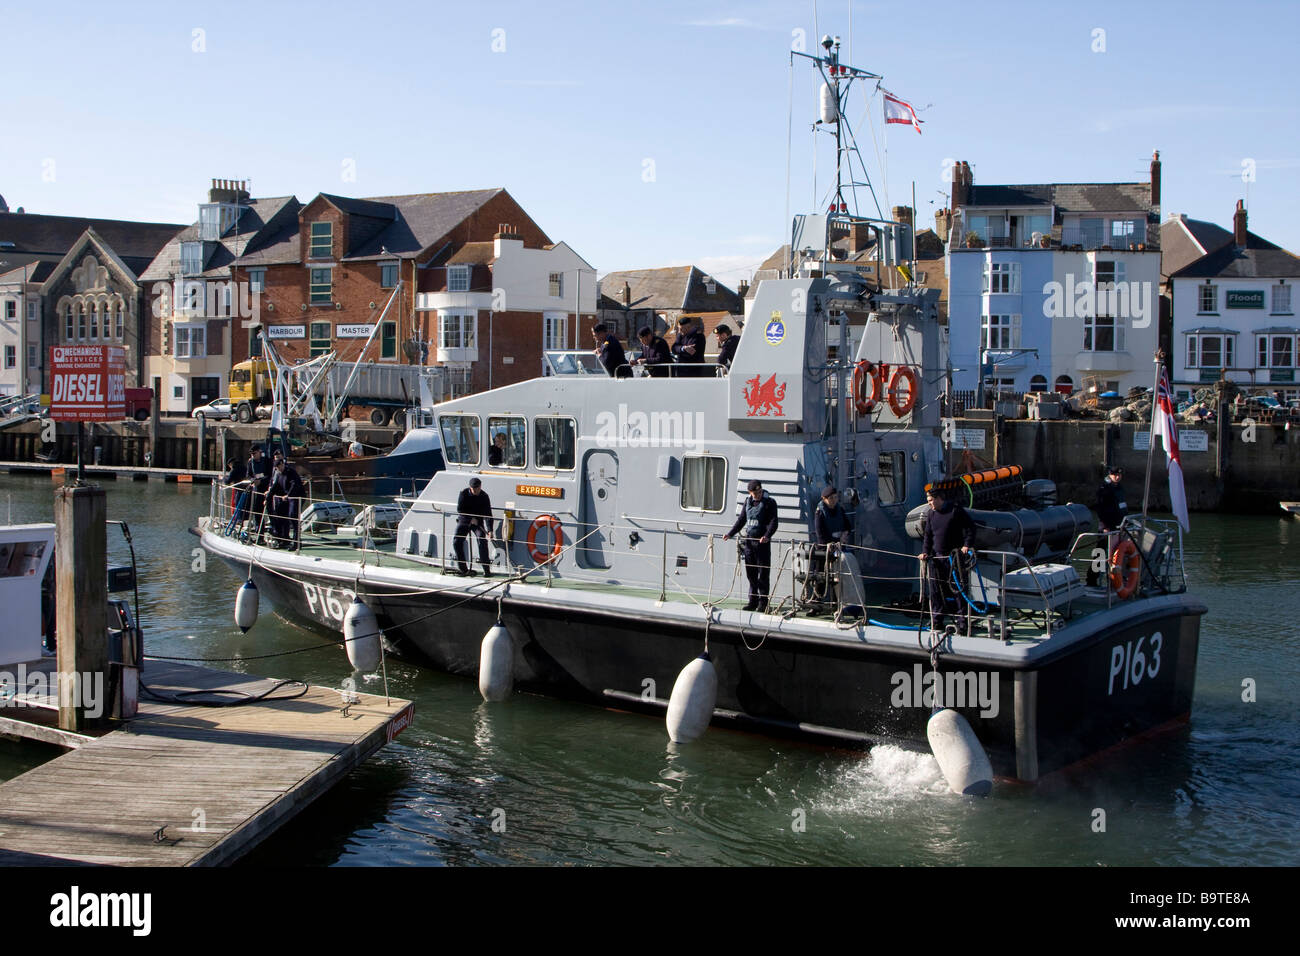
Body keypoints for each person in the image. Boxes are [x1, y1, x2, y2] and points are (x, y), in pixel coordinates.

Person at [920, 487, 975, 631]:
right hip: (937, 557)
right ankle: (937, 620)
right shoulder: (931, 514)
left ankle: (962, 621)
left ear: (940, 498)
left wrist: (966, 545)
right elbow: (928, 535)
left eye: (931, 500)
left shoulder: (955, 511)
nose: (929, 504)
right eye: (928, 501)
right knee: (936, 591)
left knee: (958, 590)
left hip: (954, 558)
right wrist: (925, 552)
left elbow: (970, 528)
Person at [723, 479, 780, 612]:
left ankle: (763, 603)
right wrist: (730, 533)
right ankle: (752, 601)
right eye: (755, 493)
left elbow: (774, 522)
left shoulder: (770, 503)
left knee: (763, 574)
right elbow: (742, 520)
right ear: (750, 492)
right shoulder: (747, 502)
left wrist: (767, 536)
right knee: (751, 574)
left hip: (762, 543)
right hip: (749, 543)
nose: (758, 495)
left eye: (760, 492)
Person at [807, 486, 849, 602]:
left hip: (838, 548)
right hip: (824, 549)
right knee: (820, 576)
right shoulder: (820, 512)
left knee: (837, 577)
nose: (834, 500)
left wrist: (844, 535)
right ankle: (816, 601)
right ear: (824, 499)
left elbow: (847, 526)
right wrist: (832, 543)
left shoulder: (840, 510)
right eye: (831, 498)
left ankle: (836, 602)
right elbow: (820, 534)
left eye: (835, 497)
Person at [1090, 464, 1128, 586]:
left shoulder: (1119, 488)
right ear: (1110, 475)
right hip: (1107, 527)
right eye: (1115, 475)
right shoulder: (1104, 489)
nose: (1117, 477)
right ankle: (1092, 580)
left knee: (1117, 554)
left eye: (1119, 475)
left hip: (1119, 525)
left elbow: (1123, 506)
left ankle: (1115, 580)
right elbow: (1100, 509)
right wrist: (1105, 526)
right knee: (1100, 553)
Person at [453, 477, 494, 577]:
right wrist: (470, 519)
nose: (475, 491)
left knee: (482, 541)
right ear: (470, 488)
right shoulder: (463, 494)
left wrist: (490, 530)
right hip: (464, 520)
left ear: (480, 487)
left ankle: (486, 570)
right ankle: (463, 569)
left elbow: (488, 514)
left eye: (477, 488)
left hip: (478, 523)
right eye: (473, 489)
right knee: (457, 542)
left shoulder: (484, 496)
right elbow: (460, 509)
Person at [267, 452, 304, 549]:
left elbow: (294, 485)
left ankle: (297, 543)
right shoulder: (279, 475)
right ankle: (282, 538)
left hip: (296, 497)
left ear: (282, 464)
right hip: (287, 498)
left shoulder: (291, 473)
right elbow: (276, 486)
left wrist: (288, 495)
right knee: (279, 513)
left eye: (279, 466)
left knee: (293, 516)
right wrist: (269, 495)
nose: (278, 469)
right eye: (277, 468)